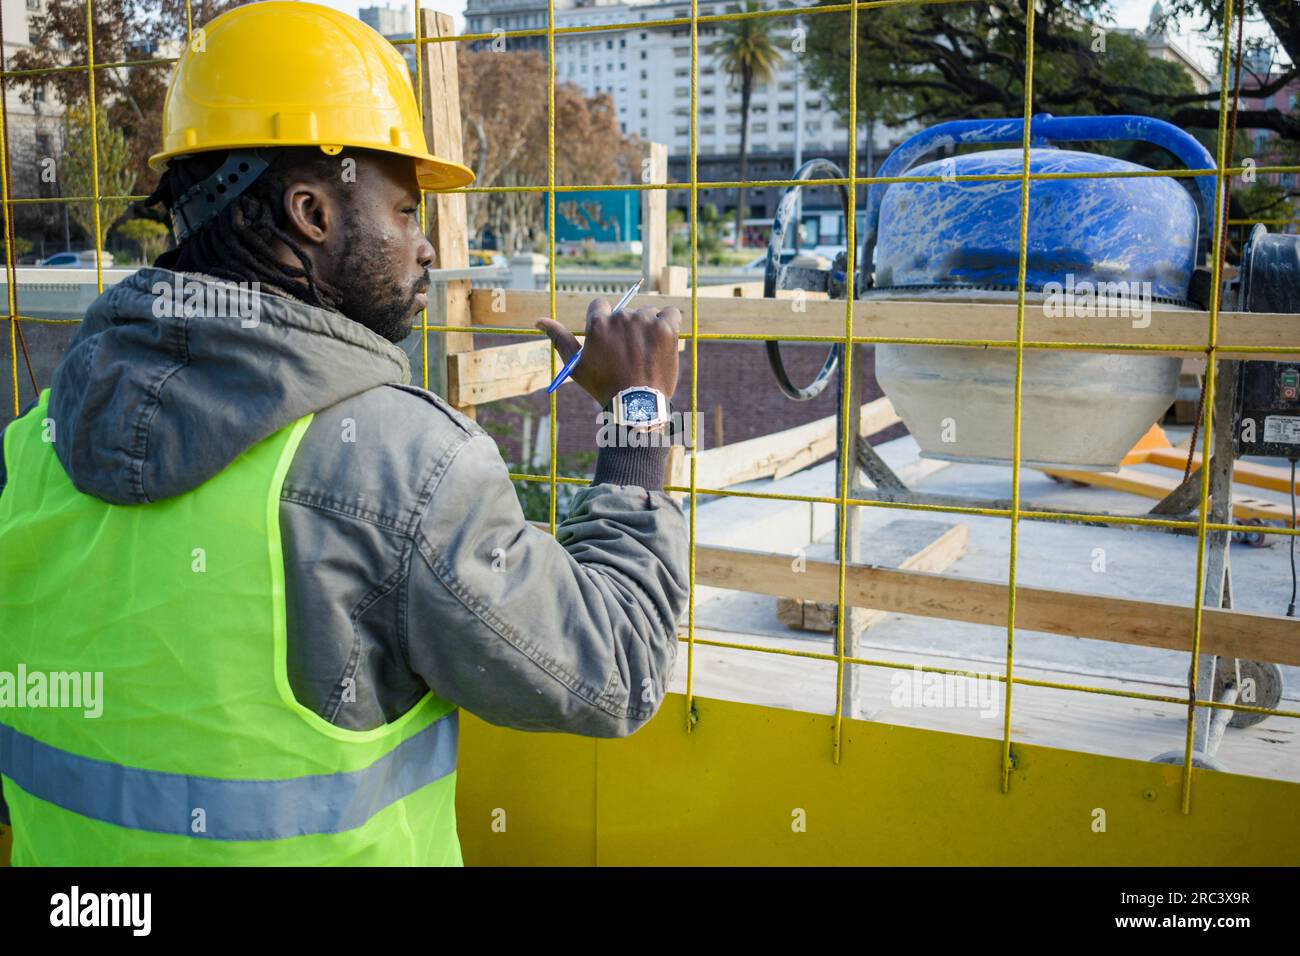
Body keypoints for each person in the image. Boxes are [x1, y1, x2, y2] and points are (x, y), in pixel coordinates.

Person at [0, 1, 687, 866]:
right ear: (312, 213)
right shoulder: (404, 467)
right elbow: (613, 671)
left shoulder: (35, 442)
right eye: (405, 212)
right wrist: (638, 415)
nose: (427, 248)